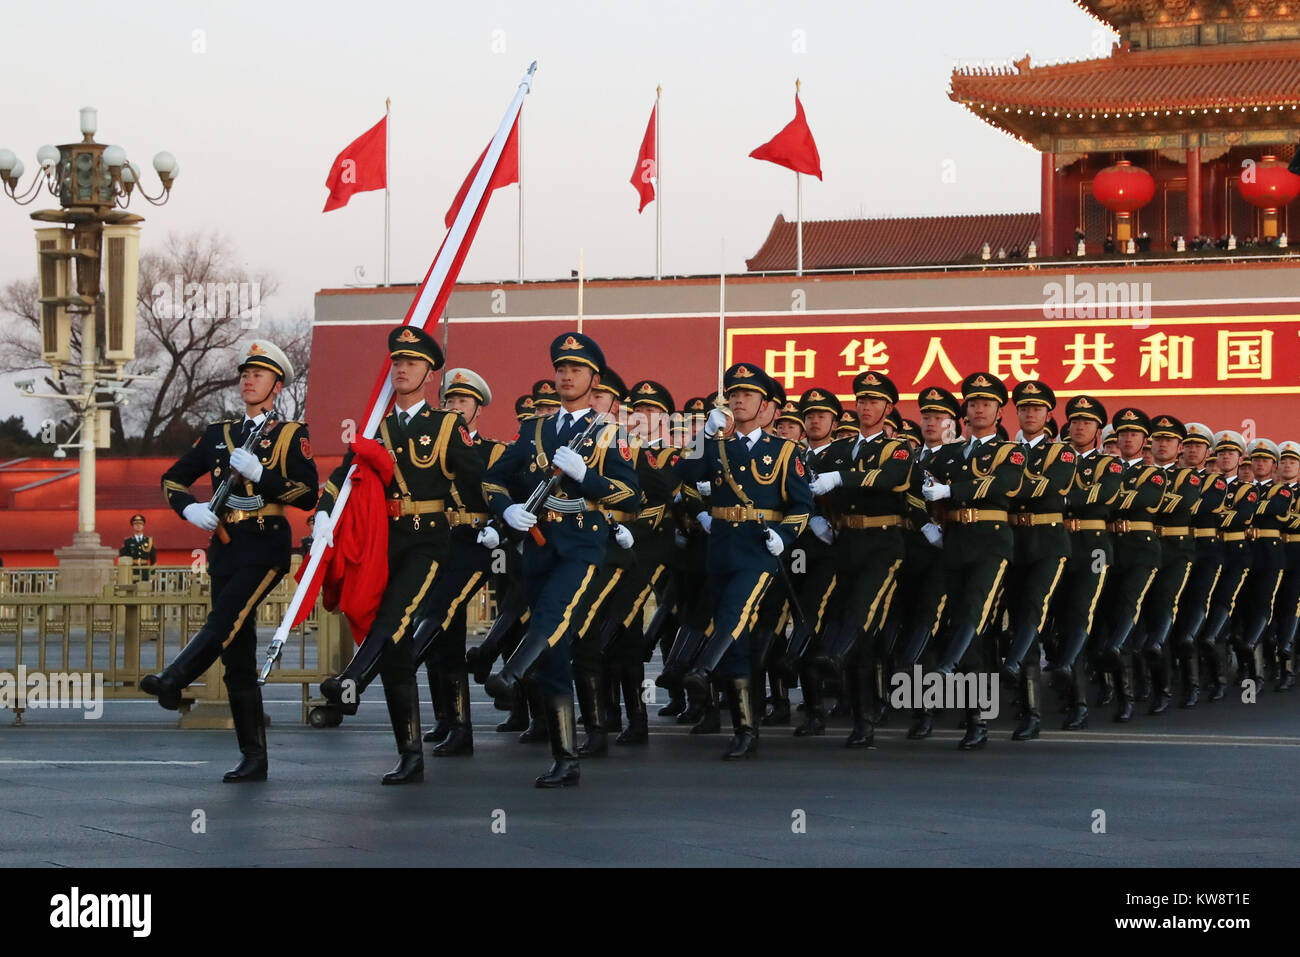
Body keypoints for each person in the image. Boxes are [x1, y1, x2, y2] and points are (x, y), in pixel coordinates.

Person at [314, 326, 484, 784]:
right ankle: (409, 754)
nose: (402, 368)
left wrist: (500, 519)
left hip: (429, 542)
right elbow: (342, 477)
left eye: (411, 363)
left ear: (430, 373)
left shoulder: (446, 426)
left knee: (393, 617)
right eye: (396, 362)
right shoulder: (378, 429)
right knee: (397, 648)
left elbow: (480, 479)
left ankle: (352, 679)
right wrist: (324, 514)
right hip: (383, 542)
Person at [148, 340, 318, 782]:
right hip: (225, 544)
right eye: (245, 373)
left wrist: (264, 475)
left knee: (226, 617)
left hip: (265, 544)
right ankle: (253, 757)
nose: (248, 380)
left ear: (276, 386)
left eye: (258, 375)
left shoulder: (288, 434)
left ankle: (175, 676)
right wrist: (189, 509)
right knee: (237, 656)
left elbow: (308, 493)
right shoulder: (217, 434)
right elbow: (173, 478)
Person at [481, 332, 640, 787]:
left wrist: (587, 476)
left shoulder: (609, 431)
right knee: (556, 650)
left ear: (593, 378)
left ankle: (511, 673)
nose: (566, 375)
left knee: (551, 616)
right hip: (540, 544)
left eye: (576, 369)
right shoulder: (535, 430)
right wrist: (504, 508)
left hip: (584, 544)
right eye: (561, 368)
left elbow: (631, 495)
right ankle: (565, 757)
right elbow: (495, 479)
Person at [667, 363, 813, 759]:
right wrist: (703, 433)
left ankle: (700, 670)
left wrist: (784, 537)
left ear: (764, 405)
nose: (738, 400)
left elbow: (802, 506)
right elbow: (681, 474)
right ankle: (745, 729)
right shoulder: (715, 445)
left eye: (747, 395)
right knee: (737, 641)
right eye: (733, 394)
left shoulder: (784, 451)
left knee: (735, 612)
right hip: (722, 547)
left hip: (760, 549)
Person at [807, 371, 913, 748]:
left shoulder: (897, 448)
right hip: (845, 541)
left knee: (861, 612)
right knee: (857, 632)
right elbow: (805, 482)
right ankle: (862, 718)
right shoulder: (838, 450)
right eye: (862, 401)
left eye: (874, 402)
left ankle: (832, 659)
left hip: (882, 544)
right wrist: (816, 516)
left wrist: (840, 480)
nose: (867, 408)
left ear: (888, 408)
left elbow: (891, 479)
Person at [921, 372, 1025, 750]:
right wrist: (930, 514)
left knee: (974, 613)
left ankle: (949, 669)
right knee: (966, 629)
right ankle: (976, 716)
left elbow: (1005, 484)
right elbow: (926, 485)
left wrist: (954, 489)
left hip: (991, 542)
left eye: (986, 403)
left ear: (999, 411)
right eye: (973, 402)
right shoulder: (950, 452)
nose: (978, 408)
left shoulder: (1010, 451)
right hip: (955, 541)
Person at [411, 367, 506, 757]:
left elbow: (506, 493)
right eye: (449, 400)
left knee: (439, 615)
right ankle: (448, 720)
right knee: (440, 635)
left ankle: (462, 727)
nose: (455, 407)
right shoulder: (426, 448)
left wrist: (499, 525)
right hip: (437, 542)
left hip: (475, 544)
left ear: (477, 410)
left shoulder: (493, 451)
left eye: (463, 401)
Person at [119, 514, 158, 582]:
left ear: (143, 526)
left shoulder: (149, 541)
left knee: (144, 590)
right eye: (136, 524)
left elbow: (153, 559)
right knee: (132, 590)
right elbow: (123, 557)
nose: (138, 526)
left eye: (140, 524)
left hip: (145, 571)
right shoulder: (128, 541)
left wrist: (152, 574)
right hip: (132, 570)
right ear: (133, 526)